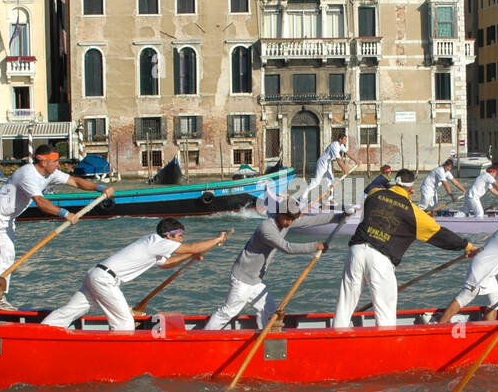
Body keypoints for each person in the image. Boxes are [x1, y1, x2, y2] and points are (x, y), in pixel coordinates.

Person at [0, 145, 113, 310]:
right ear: (42, 160)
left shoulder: (51, 173)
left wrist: (100, 187)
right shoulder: (28, 175)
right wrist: (65, 213)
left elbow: (75, 181)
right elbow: (40, 203)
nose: (58, 164)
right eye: (55, 160)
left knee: (6, 256)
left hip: (7, 219)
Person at [333, 169, 478, 328]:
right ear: (411, 189)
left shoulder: (374, 194)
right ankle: (386, 348)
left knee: (344, 306)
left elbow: (374, 185)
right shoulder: (414, 213)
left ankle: (335, 339)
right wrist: (467, 246)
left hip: (356, 251)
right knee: (385, 315)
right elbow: (440, 234)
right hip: (380, 259)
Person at [43, 219, 228, 331]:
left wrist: (191, 255)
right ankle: (118, 357)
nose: (182, 239)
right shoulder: (159, 241)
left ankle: (42, 332)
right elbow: (194, 247)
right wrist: (217, 240)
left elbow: (167, 264)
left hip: (96, 274)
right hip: (105, 280)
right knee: (125, 324)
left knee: (72, 311)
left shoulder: (153, 243)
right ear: (169, 236)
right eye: (179, 236)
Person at [203, 200, 339, 330]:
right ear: (279, 214)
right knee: (228, 312)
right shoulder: (266, 228)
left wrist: (338, 217)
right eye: (288, 219)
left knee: (269, 311)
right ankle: (204, 337)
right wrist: (315, 246)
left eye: (292, 219)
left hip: (255, 280)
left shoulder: (285, 222)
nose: (290, 223)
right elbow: (287, 248)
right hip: (243, 279)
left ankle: (266, 337)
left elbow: (310, 221)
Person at [298, 135, 358, 206]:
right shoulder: (335, 145)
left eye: (346, 139)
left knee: (331, 180)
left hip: (328, 163)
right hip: (322, 163)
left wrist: (356, 161)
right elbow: (339, 161)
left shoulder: (341, 145)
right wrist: (345, 170)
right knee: (316, 182)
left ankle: (329, 198)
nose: (346, 141)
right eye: (344, 139)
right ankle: (303, 196)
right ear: (340, 139)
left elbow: (347, 153)